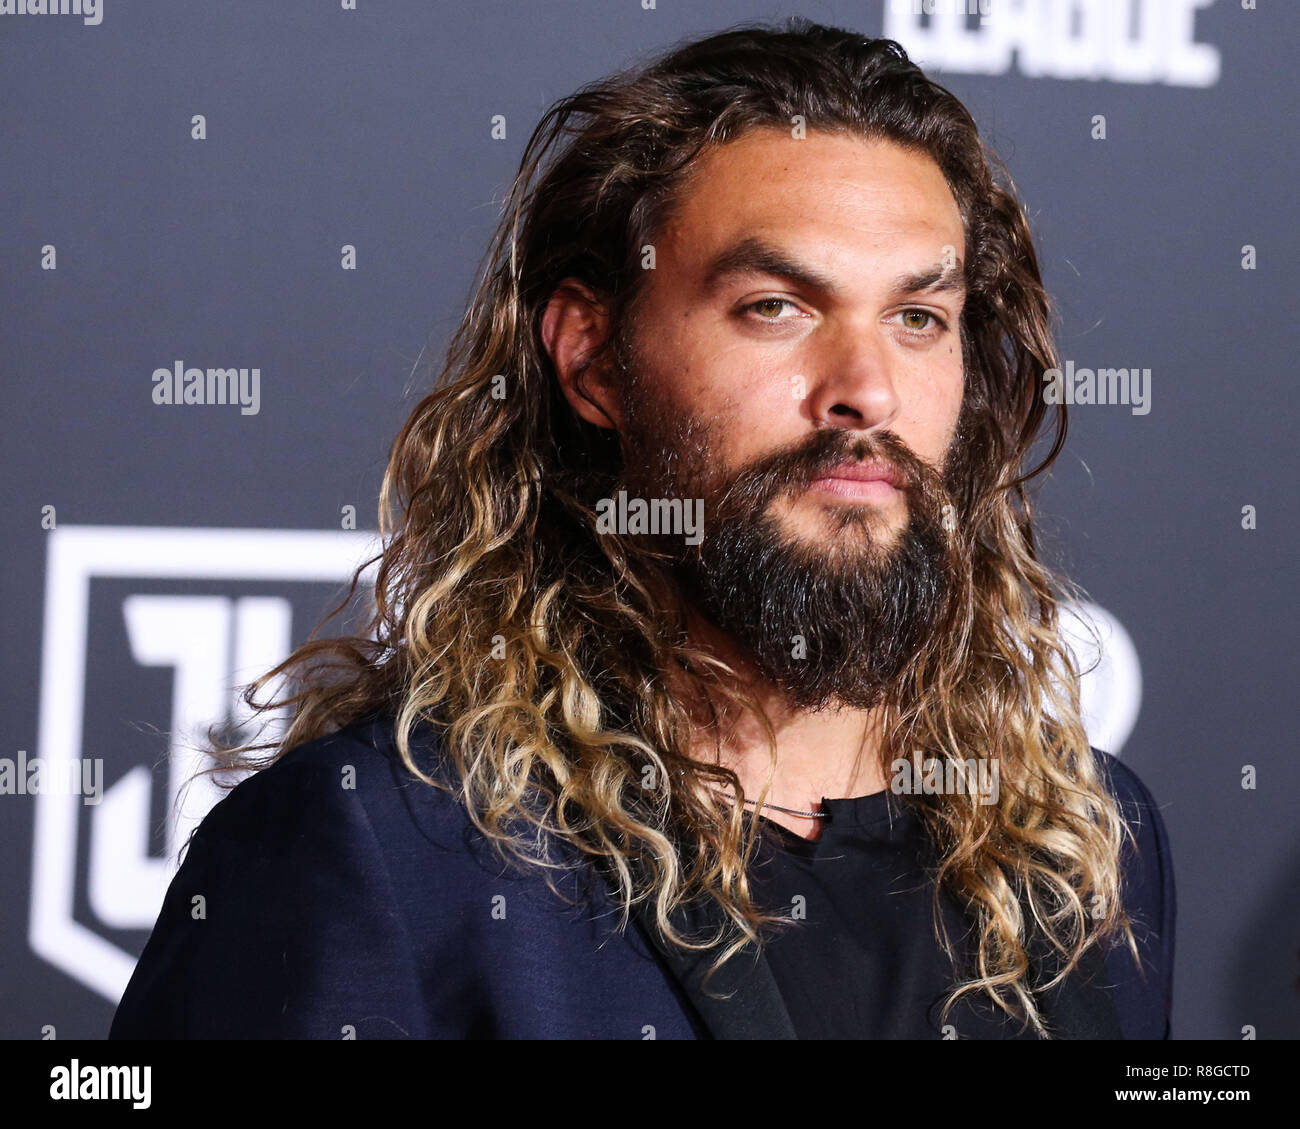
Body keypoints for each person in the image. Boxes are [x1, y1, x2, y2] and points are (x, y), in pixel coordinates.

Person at [110, 18, 1174, 1040]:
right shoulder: (393, 847)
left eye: (917, 319)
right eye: (777, 307)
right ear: (594, 358)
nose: (866, 392)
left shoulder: (1082, 842)